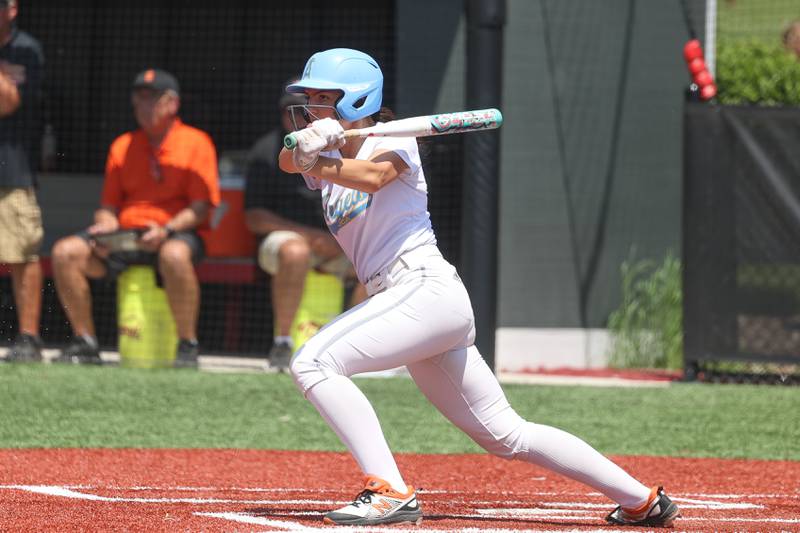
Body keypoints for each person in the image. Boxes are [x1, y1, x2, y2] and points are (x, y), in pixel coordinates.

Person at [278, 48, 681, 528]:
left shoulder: (397, 140)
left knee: (314, 361)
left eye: (327, 98)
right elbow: (288, 163)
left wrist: (316, 159)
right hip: (410, 304)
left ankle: (387, 489)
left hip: (423, 289)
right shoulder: (326, 151)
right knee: (506, 434)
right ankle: (641, 499)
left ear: (358, 101)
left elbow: (372, 177)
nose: (315, 107)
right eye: (312, 98)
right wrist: (303, 145)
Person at [51, 68, 220, 368]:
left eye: (152, 99)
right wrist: (105, 228)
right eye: (139, 99)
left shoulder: (196, 142)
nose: (144, 106)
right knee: (65, 252)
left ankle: (187, 345)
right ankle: (85, 342)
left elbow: (200, 208)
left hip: (173, 233)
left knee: (175, 255)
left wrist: (166, 229)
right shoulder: (122, 145)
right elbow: (108, 206)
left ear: (172, 104)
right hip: (126, 237)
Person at [244, 81, 365, 370]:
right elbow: (254, 217)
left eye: (307, 110)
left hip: (337, 241)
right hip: (286, 245)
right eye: (290, 112)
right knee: (295, 250)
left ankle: (355, 352)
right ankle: (282, 345)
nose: (298, 118)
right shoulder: (269, 151)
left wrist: (338, 240)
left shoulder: (342, 146)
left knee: (374, 262)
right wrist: (311, 236)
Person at [0, 0, 45, 363]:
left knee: (22, 253)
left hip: (11, 169)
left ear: (11, 9)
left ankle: (28, 338)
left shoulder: (27, 51)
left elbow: (7, 101)